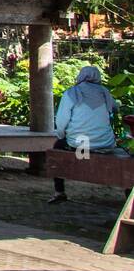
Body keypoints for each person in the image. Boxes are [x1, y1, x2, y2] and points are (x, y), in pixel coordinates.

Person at [50, 65, 120, 203]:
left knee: (57, 147)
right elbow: (115, 108)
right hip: (105, 143)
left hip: (79, 143)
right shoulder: (105, 92)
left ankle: (59, 192)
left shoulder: (71, 93)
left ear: (80, 76)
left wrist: (61, 136)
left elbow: (62, 121)